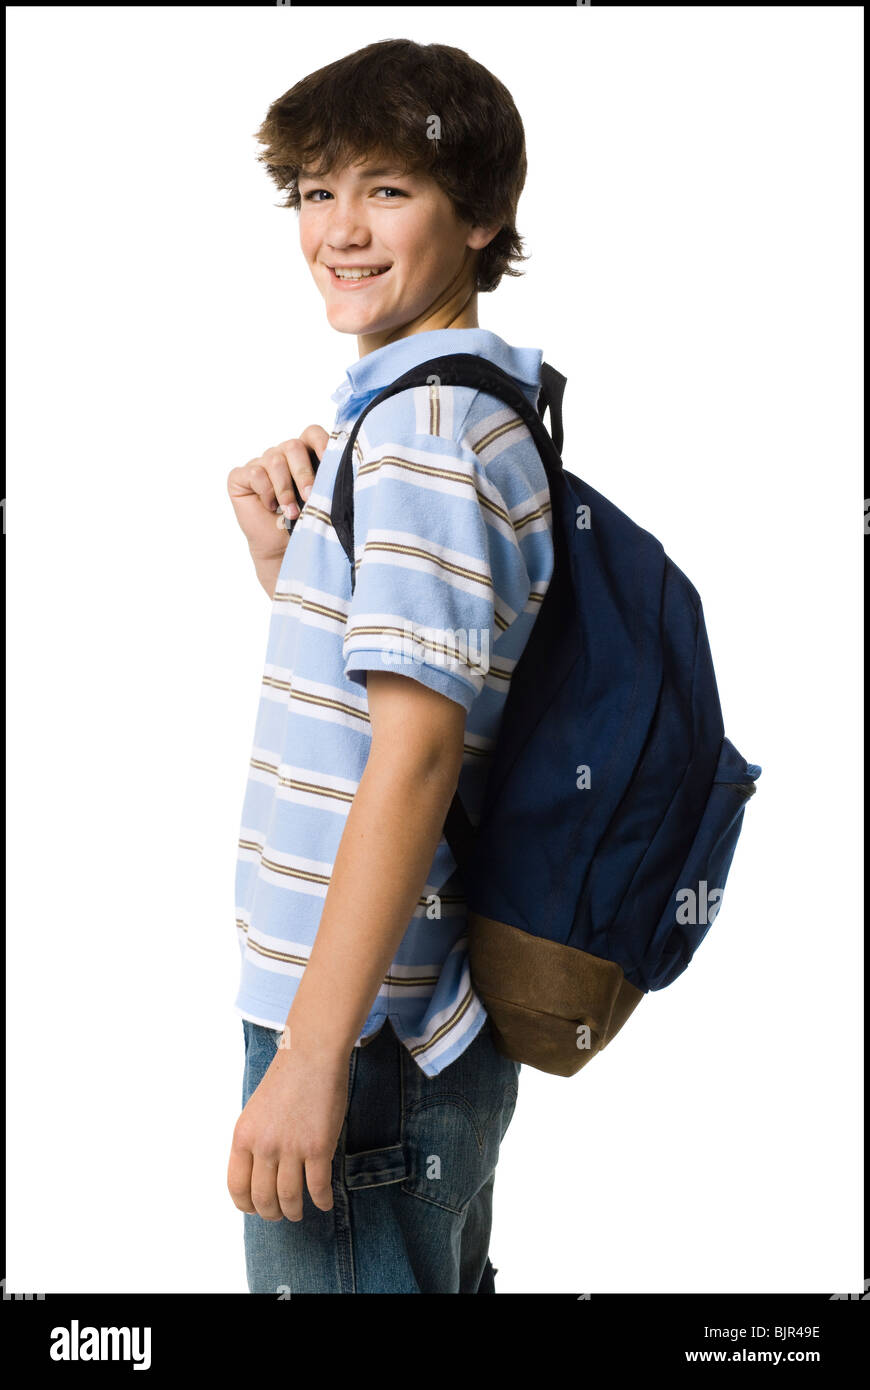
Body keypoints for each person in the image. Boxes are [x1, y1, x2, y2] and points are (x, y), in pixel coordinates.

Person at [225, 38, 554, 1294]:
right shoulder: (469, 408)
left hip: (364, 1027)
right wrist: (287, 563)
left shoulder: (419, 429)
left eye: (387, 189)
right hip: (395, 1014)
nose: (340, 229)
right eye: (316, 191)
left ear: (479, 217)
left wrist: (310, 1054)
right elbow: (415, 708)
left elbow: (417, 757)